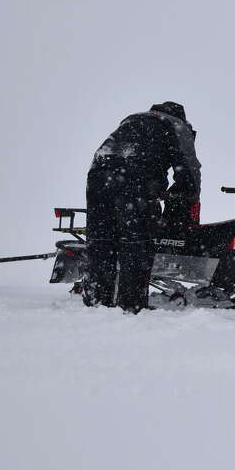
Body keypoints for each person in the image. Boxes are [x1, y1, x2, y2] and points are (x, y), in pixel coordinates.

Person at [83, 101, 201, 313]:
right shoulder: (176, 125)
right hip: (135, 184)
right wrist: (183, 201)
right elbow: (189, 172)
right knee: (136, 245)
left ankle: (96, 302)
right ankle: (131, 306)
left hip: (98, 179)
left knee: (101, 242)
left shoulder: (133, 119)